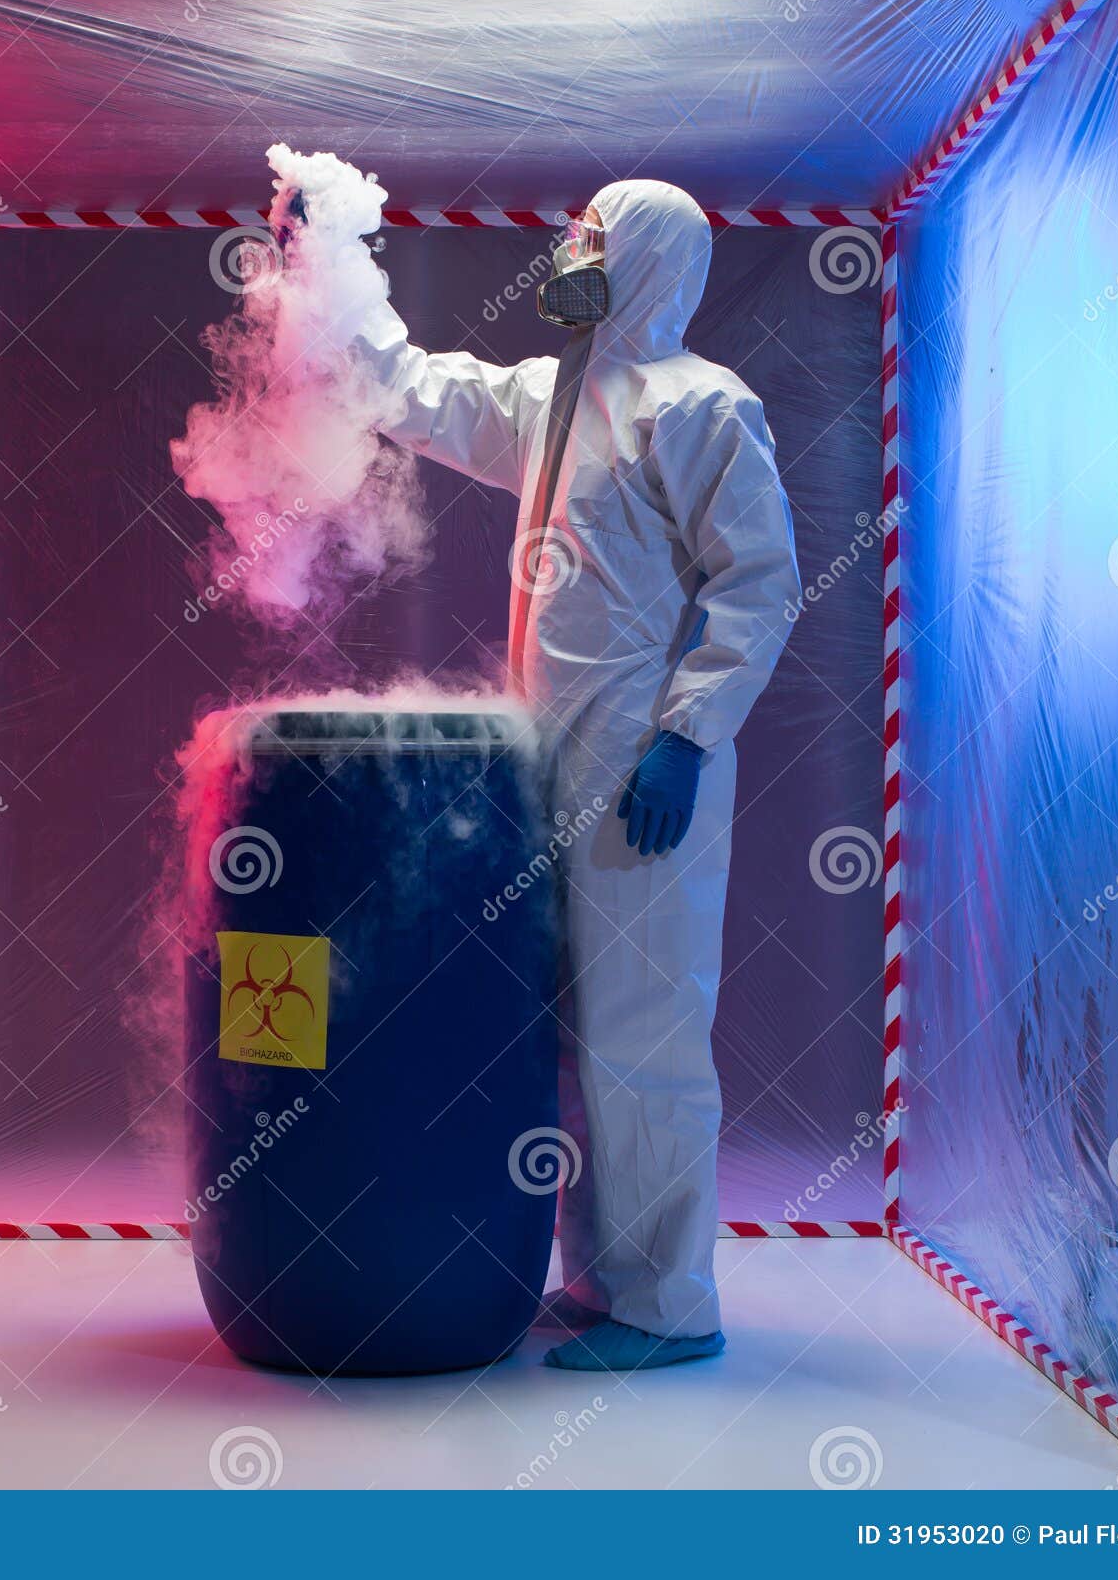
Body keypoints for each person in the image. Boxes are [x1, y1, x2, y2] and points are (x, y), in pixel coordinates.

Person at [349, 180, 801, 1371]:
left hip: (641, 767)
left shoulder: (700, 404)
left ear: (645, 253)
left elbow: (757, 581)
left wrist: (687, 736)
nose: (567, 253)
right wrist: (330, 271)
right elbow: (415, 391)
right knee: (570, 1029)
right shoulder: (551, 398)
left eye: (590, 238)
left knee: (643, 1031)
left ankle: (669, 1308)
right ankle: (607, 1283)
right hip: (553, 764)